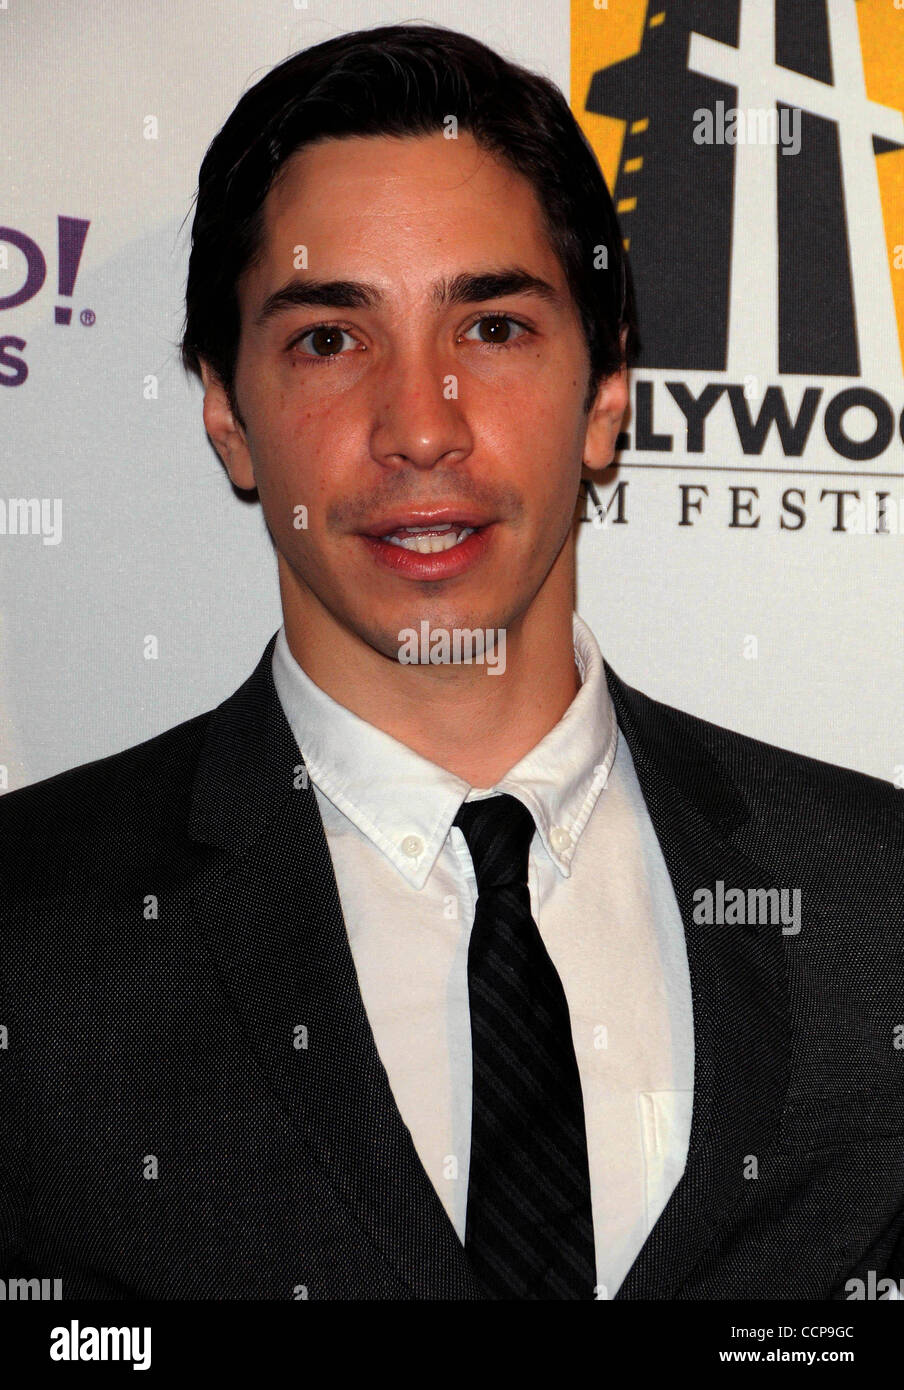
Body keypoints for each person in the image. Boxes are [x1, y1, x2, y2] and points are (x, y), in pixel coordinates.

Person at [2, 22, 903, 1302]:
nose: (418, 426)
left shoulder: (877, 907)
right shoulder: (30, 942)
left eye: (490, 327)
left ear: (606, 394)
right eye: (329, 338)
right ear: (225, 410)